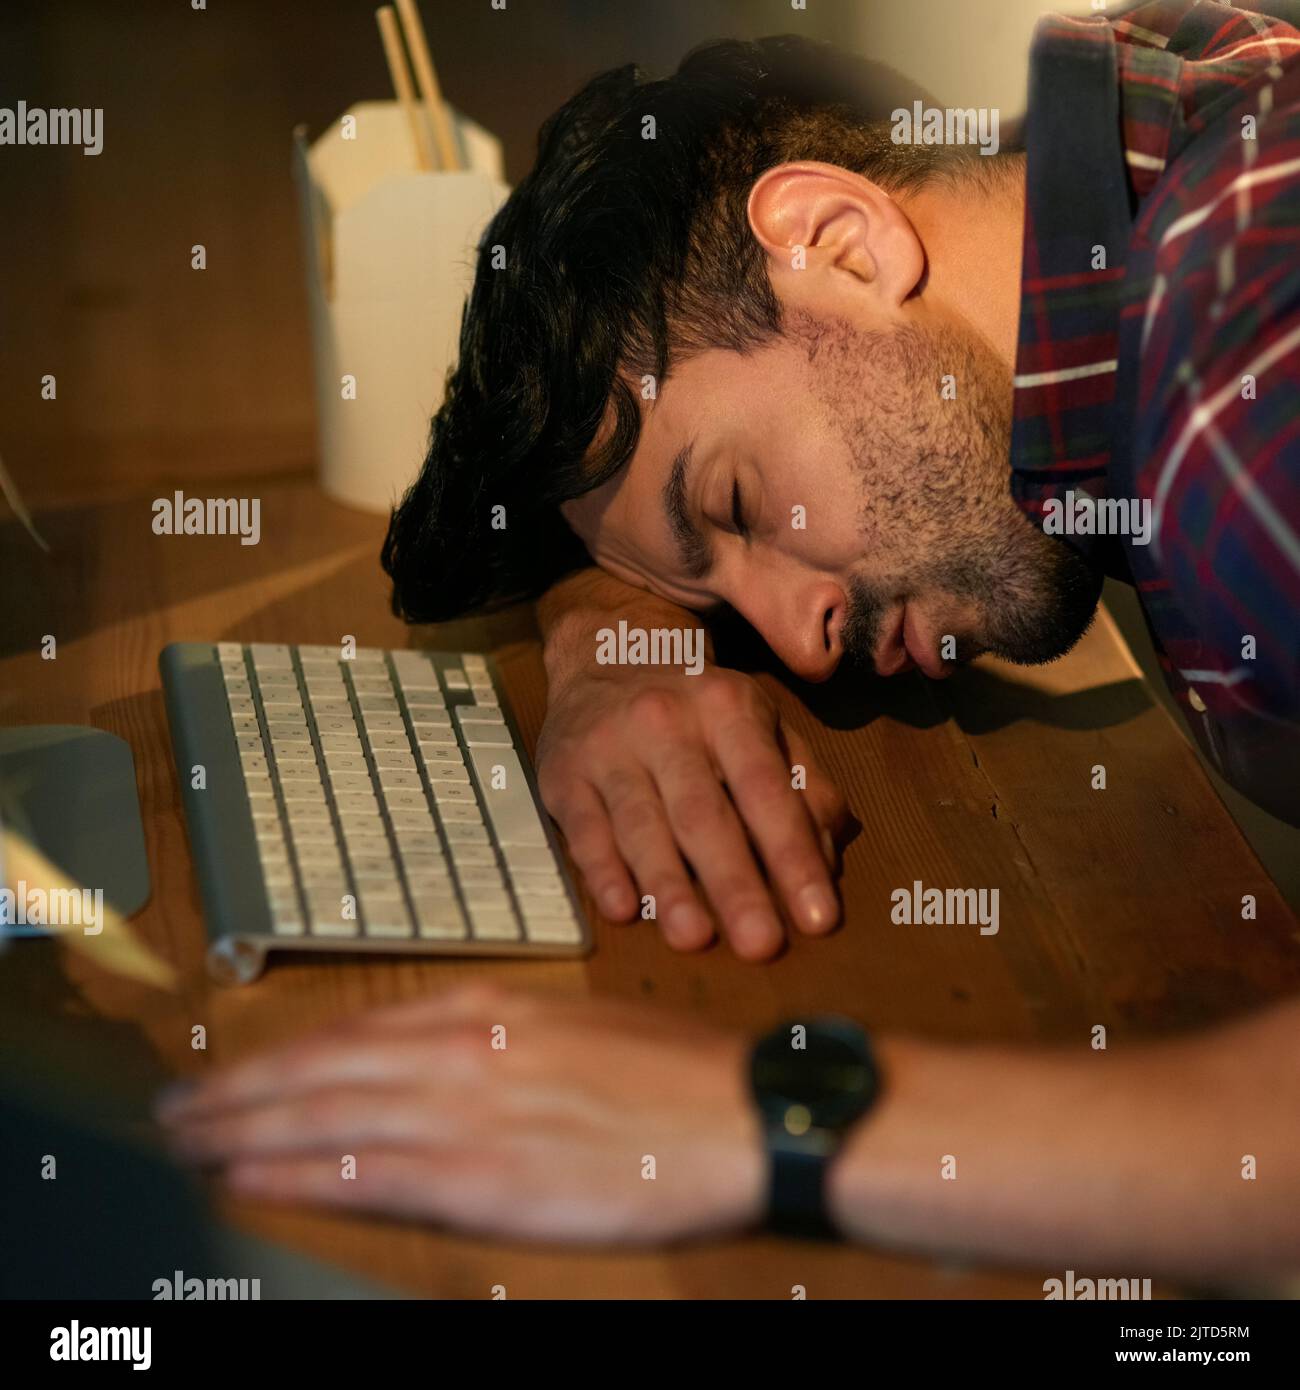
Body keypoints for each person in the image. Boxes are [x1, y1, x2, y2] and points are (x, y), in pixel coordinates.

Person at [158, 1, 1300, 1277]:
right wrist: (609, 631)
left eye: (739, 507)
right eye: (714, 594)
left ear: (838, 243)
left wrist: (760, 1120)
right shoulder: (1140, 132)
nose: (799, 649)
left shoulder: (1239, 403)